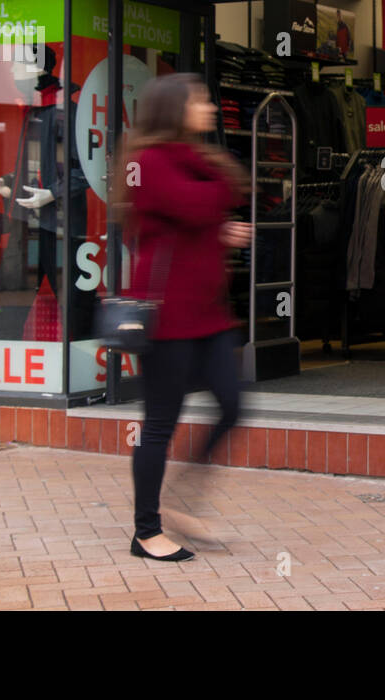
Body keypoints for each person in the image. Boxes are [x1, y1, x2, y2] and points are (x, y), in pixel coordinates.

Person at [110, 72, 251, 561]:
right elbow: (198, 204)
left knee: (232, 405)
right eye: (201, 101)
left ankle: (179, 501)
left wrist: (219, 231)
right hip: (165, 315)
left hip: (208, 314)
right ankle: (146, 531)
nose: (210, 108)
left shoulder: (193, 161)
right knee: (159, 426)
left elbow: (204, 212)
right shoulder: (146, 163)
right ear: (175, 109)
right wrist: (219, 207)